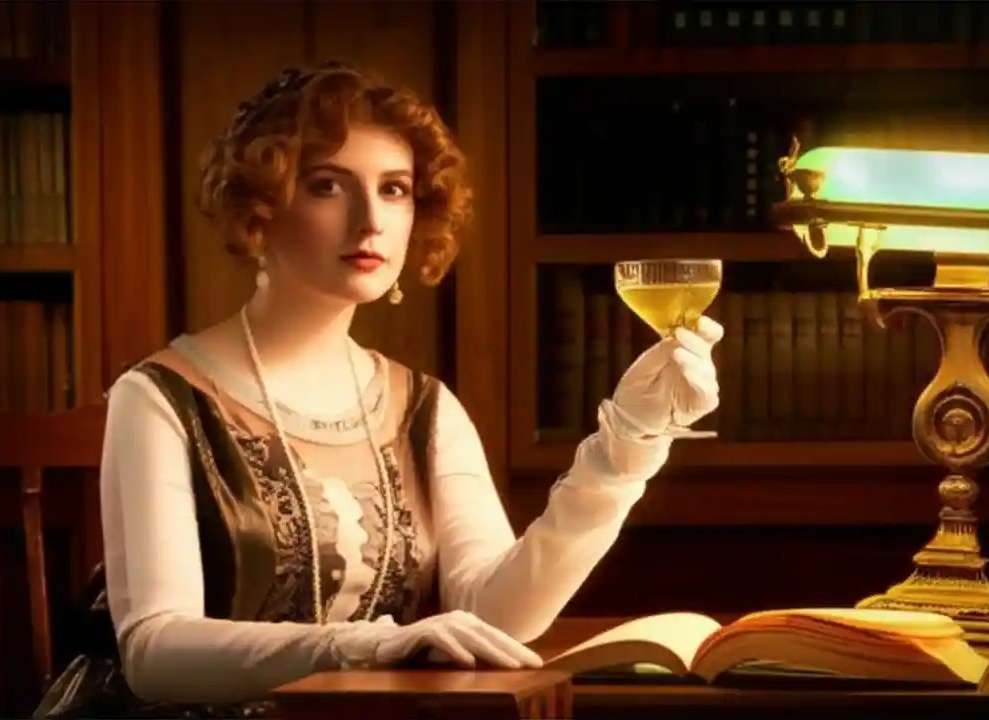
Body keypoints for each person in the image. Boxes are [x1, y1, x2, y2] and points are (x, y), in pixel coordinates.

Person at [35, 62, 722, 718]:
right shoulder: (158, 395)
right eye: (327, 185)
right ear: (258, 210)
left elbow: (497, 616)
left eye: (395, 188)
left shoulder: (425, 407)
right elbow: (155, 652)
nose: (371, 217)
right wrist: (369, 646)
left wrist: (627, 443)